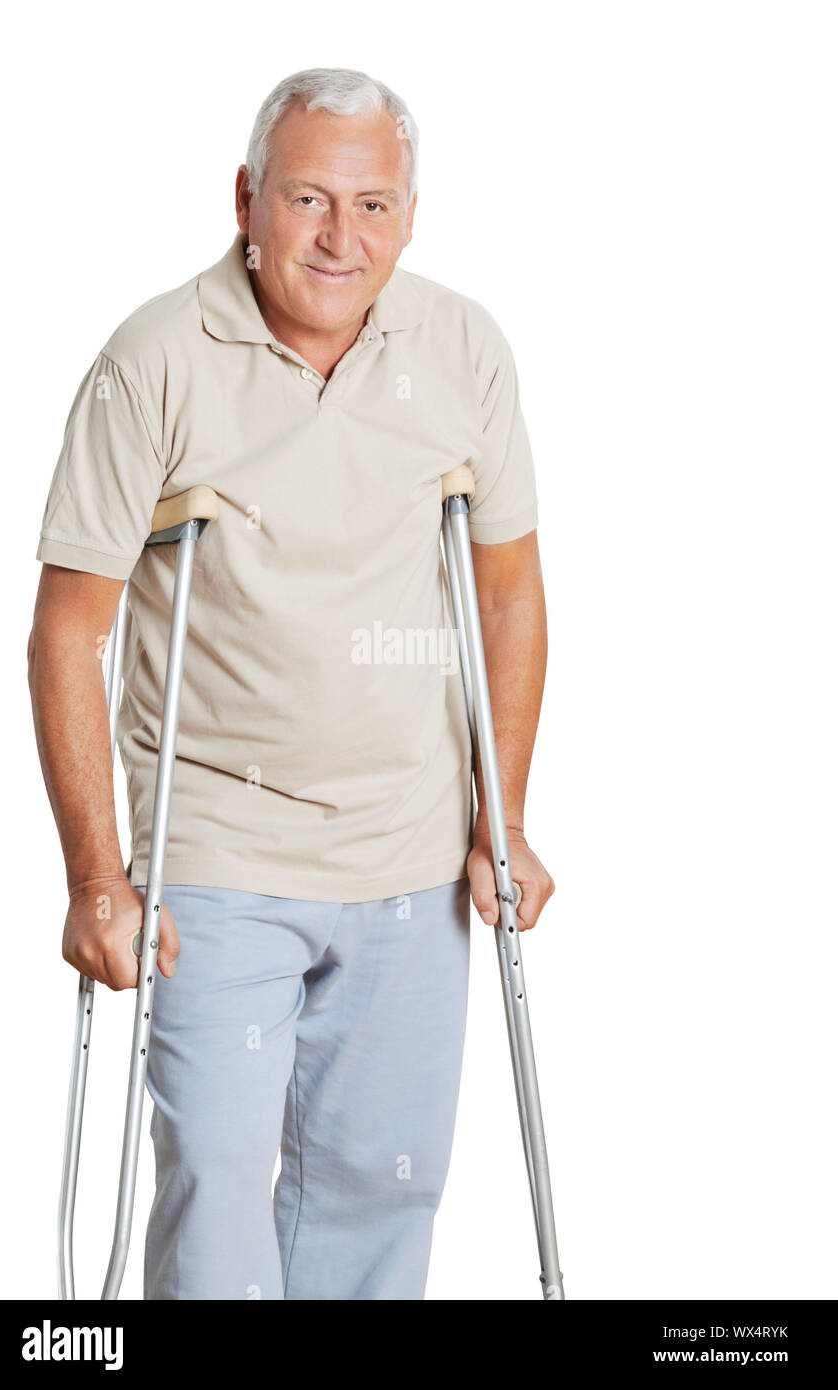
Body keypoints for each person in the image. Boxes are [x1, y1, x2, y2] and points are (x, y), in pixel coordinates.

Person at [28, 66, 555, 1301]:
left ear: (411, 217)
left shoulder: (463, 349)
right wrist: (96, 878)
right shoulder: (153, 358)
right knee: (217, 1190)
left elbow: (508, 596)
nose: (339, 237)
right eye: (309, 198)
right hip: (215, 849)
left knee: (379, 1190)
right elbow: (68, 631)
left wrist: (503, 820)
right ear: (247, 200)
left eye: (373, 206)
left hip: (409, 854)